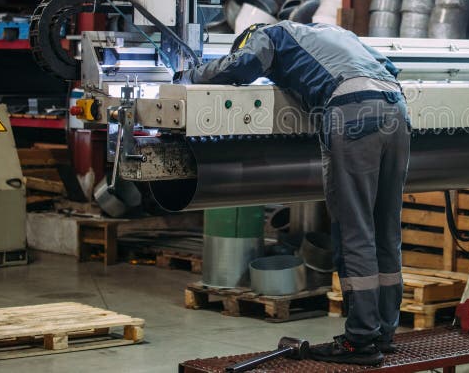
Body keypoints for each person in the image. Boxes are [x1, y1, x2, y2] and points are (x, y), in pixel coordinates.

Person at [175, 21, 410, 365]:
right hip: (396, 109)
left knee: (354, 229)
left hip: (353, 113)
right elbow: (388, 67)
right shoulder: (336, 32)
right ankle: (384, 333)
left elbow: (242, 65)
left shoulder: (267, 34)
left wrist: (191, 75)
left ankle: (360, 340)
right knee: (385, 228)